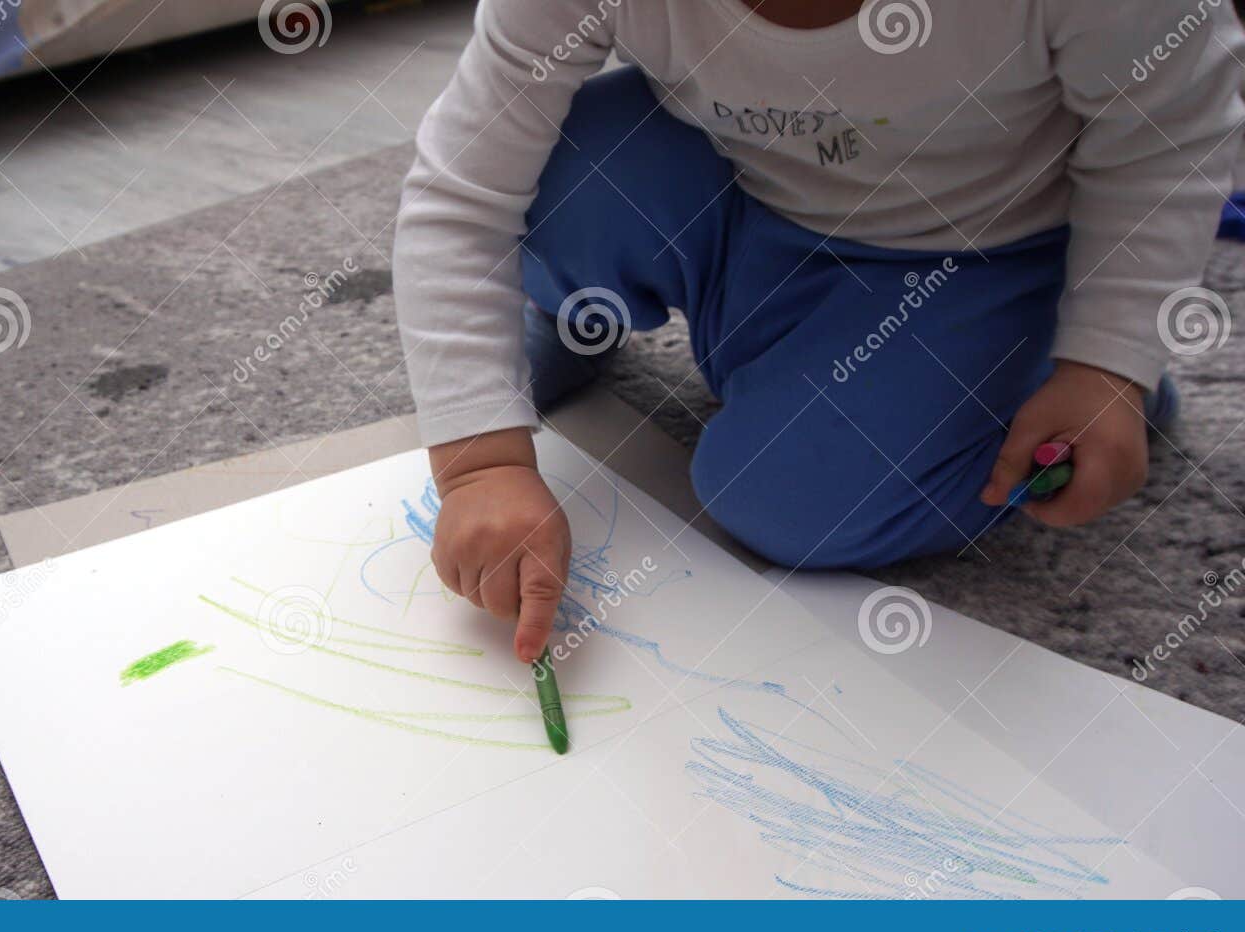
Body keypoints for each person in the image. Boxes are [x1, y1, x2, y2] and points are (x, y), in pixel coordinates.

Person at [392, 0, 1245, 661]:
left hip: (980, 258)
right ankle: (586, 320)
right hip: (745, 195)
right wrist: (480, 462)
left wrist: (1107, 361)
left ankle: (1061, 385)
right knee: (561, 183)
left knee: (786, 502)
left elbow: (1167, 136)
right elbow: (463, 191)